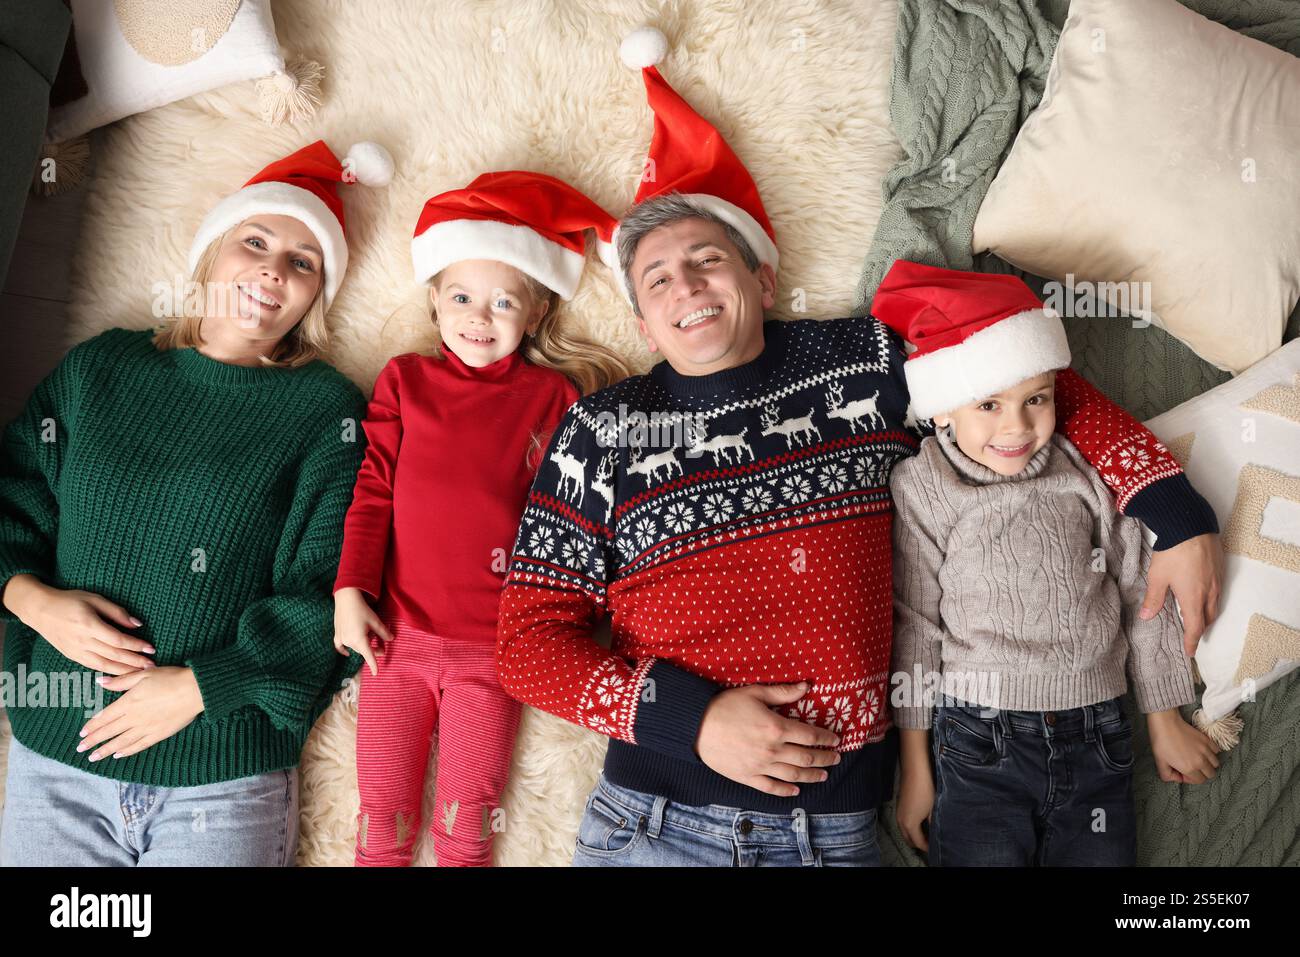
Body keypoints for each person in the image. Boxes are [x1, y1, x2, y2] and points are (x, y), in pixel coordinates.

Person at [494, 30, 1223, 867]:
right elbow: (528, 643)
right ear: (640, 322)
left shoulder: (864, 363)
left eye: (707, 260)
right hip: (662, 820)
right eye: (657, 279)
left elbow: (1021, 380)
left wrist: (1169, 507)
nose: (686, 286)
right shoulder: (605, 429)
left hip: (836, 834)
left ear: (763, 279)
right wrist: (686, 718)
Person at [0, 139, 392, 866]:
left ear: (316, 295)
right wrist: (32, 600)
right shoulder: (102, 369)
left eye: (303, 262)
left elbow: (332, 591)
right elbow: (13, 494)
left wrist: (203, 685)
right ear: (213, 253)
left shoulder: (326, 412)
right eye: (256, 241)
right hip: (58, 758)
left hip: (220, 776)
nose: (274, 269)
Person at [332, 171, 632, 866]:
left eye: (504, 302)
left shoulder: (550, 395)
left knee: (467, 827)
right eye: (463, 296)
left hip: (494, 651)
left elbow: (569, 514)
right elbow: (372, 491)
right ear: (435, 301)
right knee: (383, 819)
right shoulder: (405, 380)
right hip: (394, 641)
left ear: (533, 316)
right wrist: (350, 591)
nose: (480, 315)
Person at [880, 263, 1220, 866]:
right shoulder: (924, 486)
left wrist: (1163, 717)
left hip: (1098, 735)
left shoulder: (1083, 474)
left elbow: (1139, 590)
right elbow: (916, 627)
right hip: (979, 739)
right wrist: (916, 767)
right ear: (942, 411)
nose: (1017, 426)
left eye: (1036, 398)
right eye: (988, 404)